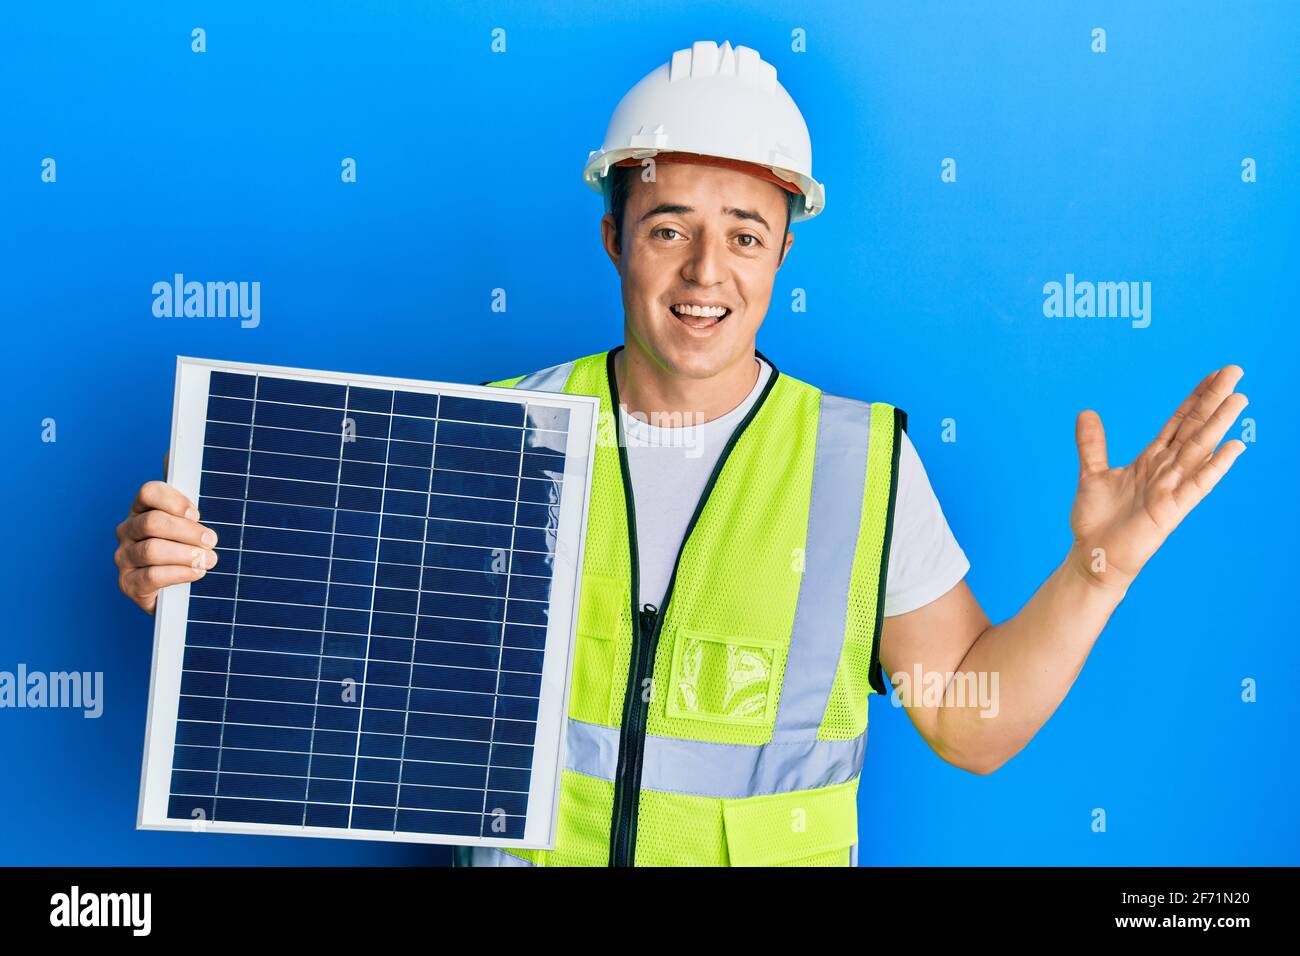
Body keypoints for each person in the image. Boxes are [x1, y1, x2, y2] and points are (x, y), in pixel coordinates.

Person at [113, 40, 1247, 867]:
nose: (707, 271)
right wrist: (189, 579)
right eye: (670, 228)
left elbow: (970, 718)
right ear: (614, 238)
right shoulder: (498, 434)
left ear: (781, 253)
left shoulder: (859, 462)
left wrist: (1106, 562)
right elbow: (347, 656)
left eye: (744, 234)